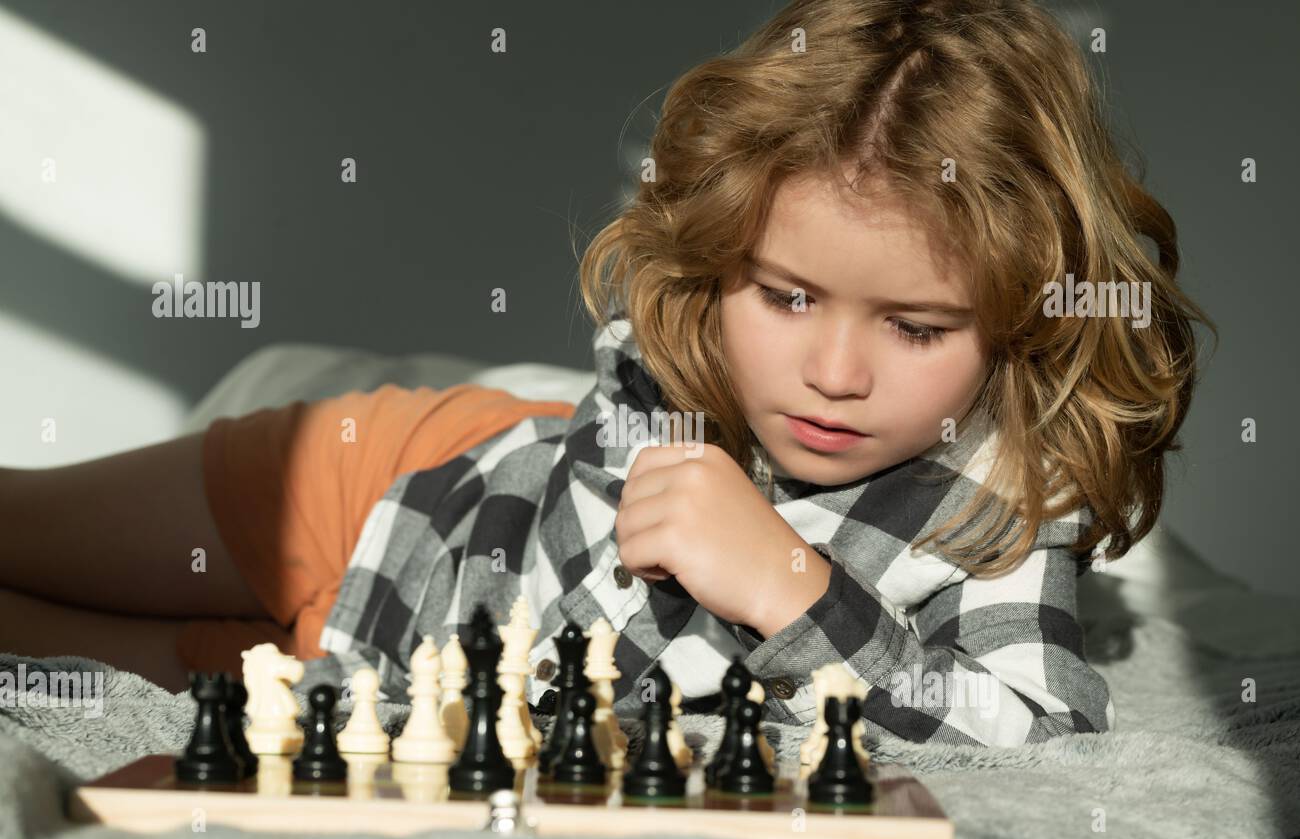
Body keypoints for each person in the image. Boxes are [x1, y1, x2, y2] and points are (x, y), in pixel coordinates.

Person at [0, 0, 1216, 746]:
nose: (833, 370)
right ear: (719, 261)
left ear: (1014, 324)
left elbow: (1043, 727)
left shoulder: (1001, 499)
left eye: (915, 327)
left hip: (387, 679)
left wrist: (796, 587)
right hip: (389, 482)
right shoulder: (670, 352)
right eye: (785, 296)